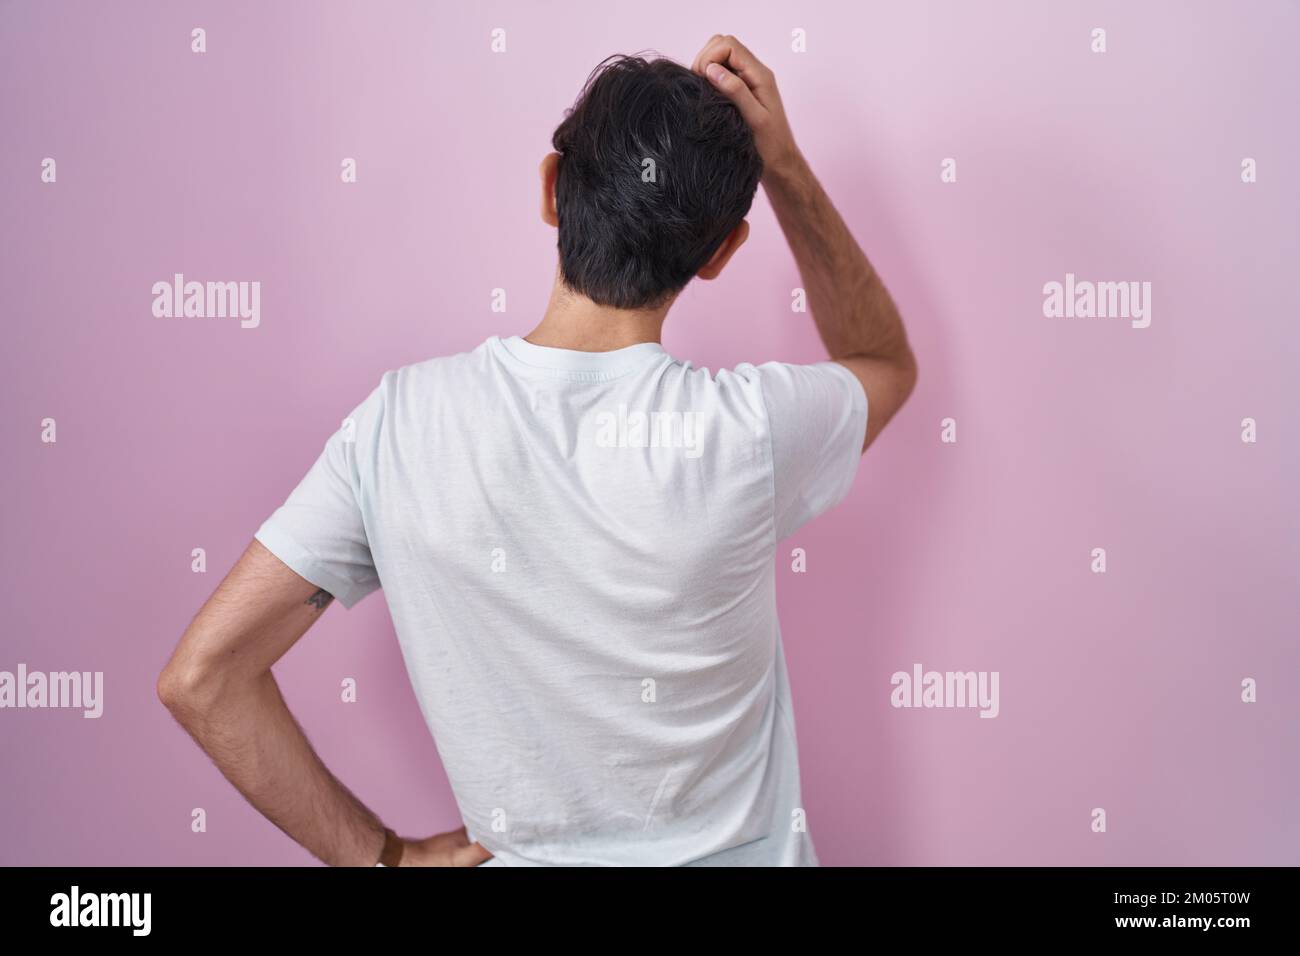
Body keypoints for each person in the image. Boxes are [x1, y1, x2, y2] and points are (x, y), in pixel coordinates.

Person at [158, 35, 917, 867]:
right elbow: (882, 358)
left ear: (553, 189)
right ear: (722, 254)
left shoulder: (400, 427)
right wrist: (785, 166)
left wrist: (381, 858)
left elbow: (205, 679)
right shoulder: (755, 431)